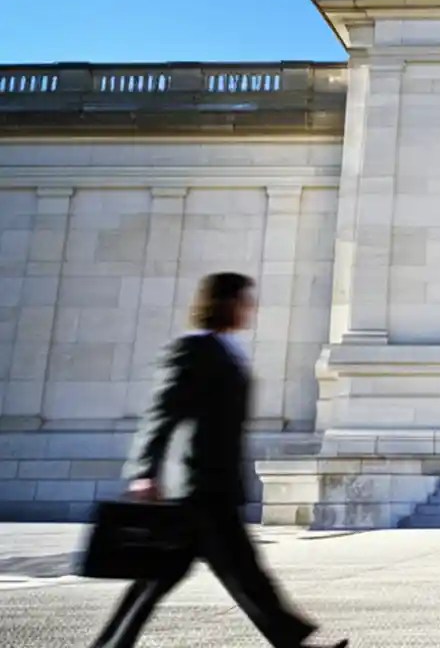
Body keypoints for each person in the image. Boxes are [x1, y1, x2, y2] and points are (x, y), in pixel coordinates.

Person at [91, 272, 347, 648]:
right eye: (244, 301)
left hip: (213, 487)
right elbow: (163, 413)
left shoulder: (227, 349)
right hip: (199, 489)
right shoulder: (192, 349)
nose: (250, 308)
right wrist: (144, 471)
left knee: (171, 578)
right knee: (243, 574)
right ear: (223, 302)